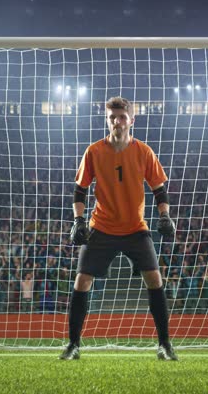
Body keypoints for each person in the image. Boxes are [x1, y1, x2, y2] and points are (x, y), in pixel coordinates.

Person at [60, 96, 178, 361]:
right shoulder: (94, 151)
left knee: (155, 278)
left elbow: (159, 189)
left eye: (121, 117)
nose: (116, 121)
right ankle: (73, 345)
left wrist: (165, 216)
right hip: (101, 226)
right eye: (112, 117)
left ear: (131, 120)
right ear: (107, 120)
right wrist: (78, 221)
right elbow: (80, 190)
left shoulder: (144, 151)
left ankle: (165, 345)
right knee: (82, 280)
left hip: (135, 228)